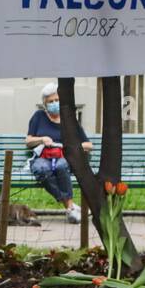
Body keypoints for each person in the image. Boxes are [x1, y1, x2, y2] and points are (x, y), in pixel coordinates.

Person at [26, 81, 93, 223]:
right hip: (43, 156)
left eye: (57, 100)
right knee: (41, 169)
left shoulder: (70, 120)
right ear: (45, 104)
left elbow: (88, 145)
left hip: (63, 156)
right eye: (51, 101)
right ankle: (70, 206)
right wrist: (42, 139)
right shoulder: (38, 116)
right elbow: (28, 141)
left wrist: (69, 146)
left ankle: (71, 208)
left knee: (62, 166)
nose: (54, 103)